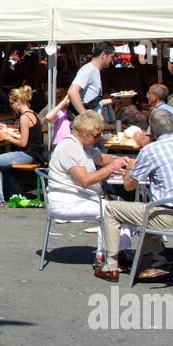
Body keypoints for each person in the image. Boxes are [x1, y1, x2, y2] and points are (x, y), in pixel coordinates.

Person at [97, 108, 173, 281]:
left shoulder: (152, 150)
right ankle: (158, 260)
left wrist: (132, 166)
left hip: (169, 216)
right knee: (151, 206)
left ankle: (110, 266)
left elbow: (129, 186)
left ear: (152, 131)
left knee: (111, 209)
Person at [47, 110, 131, 270]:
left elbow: (101, 158)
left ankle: (117, 251)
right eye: (96, 135)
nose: (98, 138)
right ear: (84, 133)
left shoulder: (83, 146)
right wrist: (111, 168)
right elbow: (84, 180)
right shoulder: (69, 147)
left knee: (128, 209)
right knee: (115, 211)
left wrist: (122, 160)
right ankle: (104, 255)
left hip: (85, 197)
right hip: (68, 201)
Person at [0, 85, 47, 204]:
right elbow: (29, 137)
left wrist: (7, 137)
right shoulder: (32, 114)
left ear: (17, 102)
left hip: (28, 154)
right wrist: (8, 131)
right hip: (36, 153)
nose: (12, 107)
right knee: (2, 165)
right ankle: (16, 193)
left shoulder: (24, 118)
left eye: (11, 104)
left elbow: (23, 142)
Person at [68, 42, 115, 116]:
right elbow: (72, 92)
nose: (112, 61)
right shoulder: (89, 69)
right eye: (111, 57)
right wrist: (85, 116)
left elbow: (92, 102)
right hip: (85, 125)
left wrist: (114, 100)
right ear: (103, 54)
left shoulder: (94, 70)